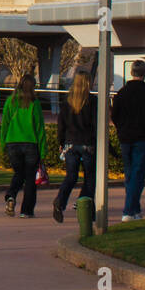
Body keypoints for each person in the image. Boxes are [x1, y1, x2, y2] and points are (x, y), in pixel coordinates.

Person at [111, 60, 145, 221]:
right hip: (142, 137)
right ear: (144, 73)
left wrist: (121, 128)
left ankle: (135, 209)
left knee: (130, 173)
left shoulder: (121, 93)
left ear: (131, 72)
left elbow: (114, 115)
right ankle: (129, 210)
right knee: (138, 174)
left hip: (125, 137)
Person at [52, 71, 97, 223]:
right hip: (87, 143)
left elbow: (61, 125)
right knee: (90, 178)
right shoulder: (92, 101)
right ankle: (85, 205)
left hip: (70, 143)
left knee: (71, 176)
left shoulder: (67, 101)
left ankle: (60, 200)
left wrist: (60, 142)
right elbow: (95, 124)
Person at [0, 74, 47, 217]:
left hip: (13, 142)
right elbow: (40, 129)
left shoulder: (10, 101)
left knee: (19, 173)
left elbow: (5, 124)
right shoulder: (35, 103)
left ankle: (11, 194)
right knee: (30, 178)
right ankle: (26, 210)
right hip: (31, 144)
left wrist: (3, 145)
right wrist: (43, 151)